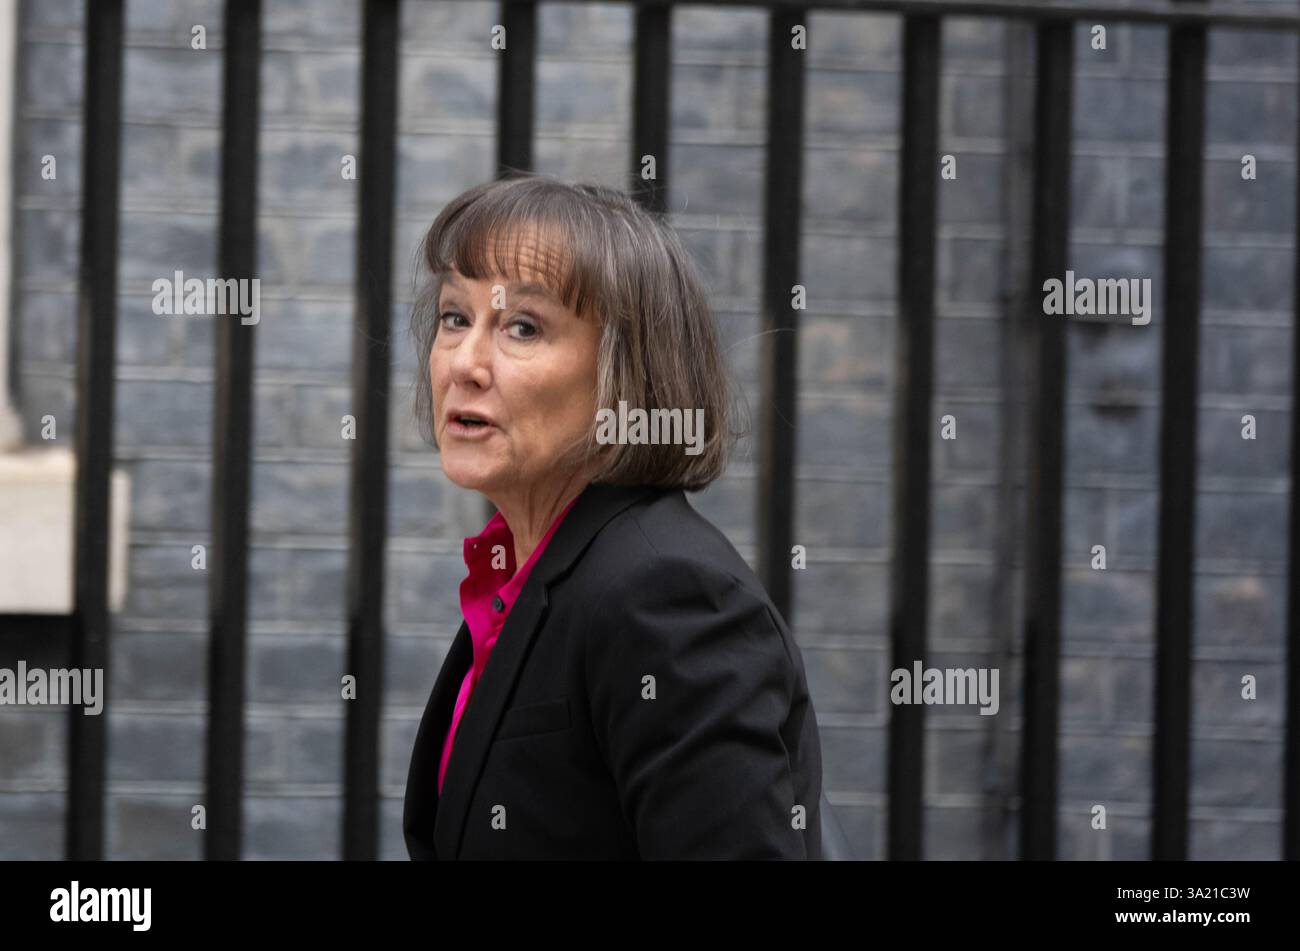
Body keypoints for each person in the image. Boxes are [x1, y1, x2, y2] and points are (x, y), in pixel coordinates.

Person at [402, 173, 823, 859]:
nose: (466, 362)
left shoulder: (667, 590)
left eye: (522, 326)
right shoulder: (527, 575)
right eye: (455, 316)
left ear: (625, 374)